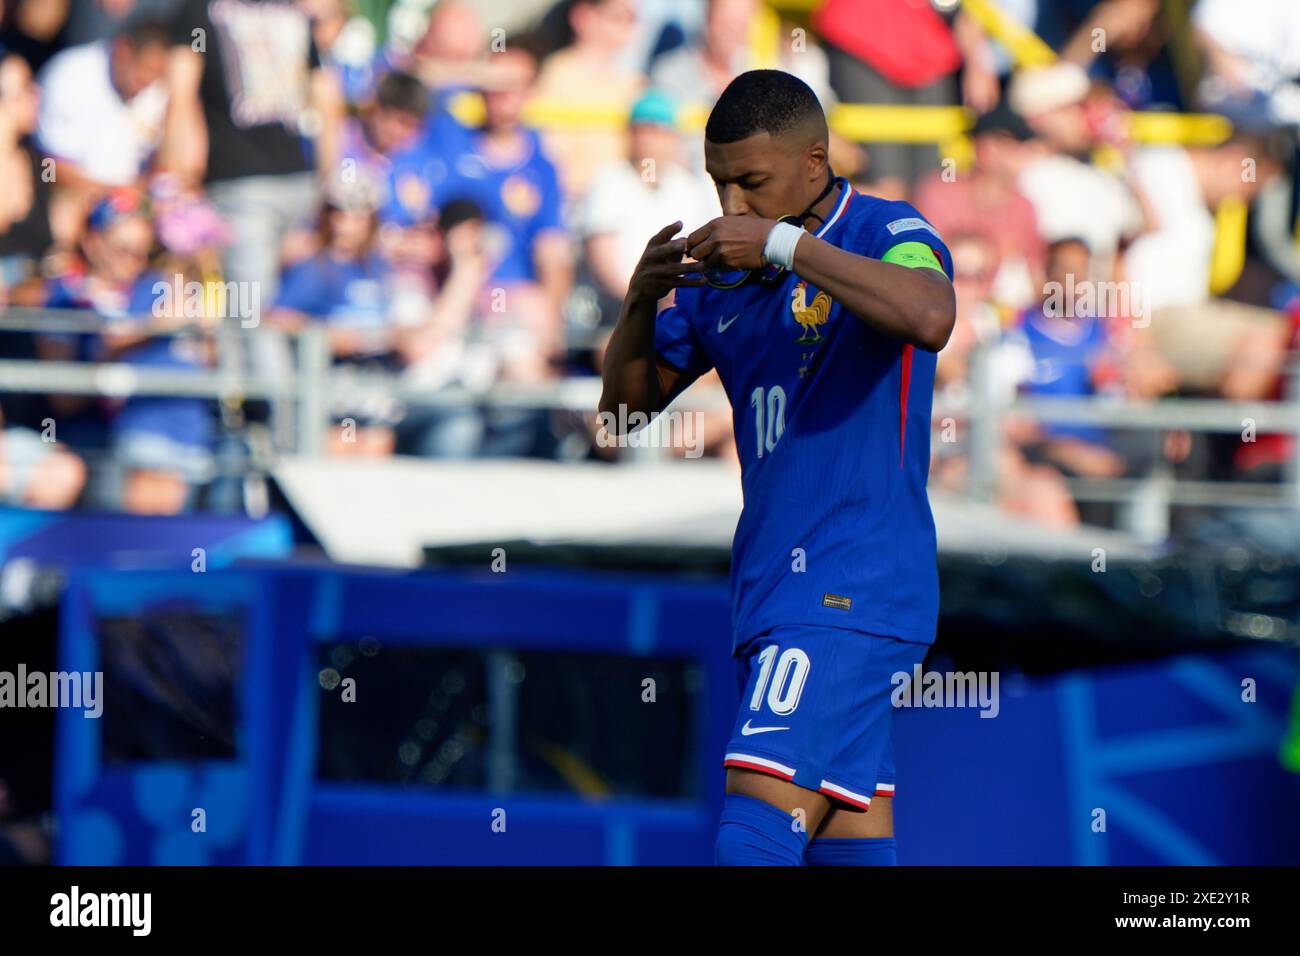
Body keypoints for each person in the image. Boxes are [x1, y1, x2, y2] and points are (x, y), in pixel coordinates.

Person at [599, 70, 955, 865]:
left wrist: (786, 245)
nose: (731, 204)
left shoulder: (885, 230)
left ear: (815, 162)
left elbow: (931, 317)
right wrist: (637, 304)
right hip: (769, 593)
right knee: (848, 850)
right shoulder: (726, 275)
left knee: (750, 842)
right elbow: (621, 418)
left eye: (751, 182)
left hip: (848, 588)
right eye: (719, 181)